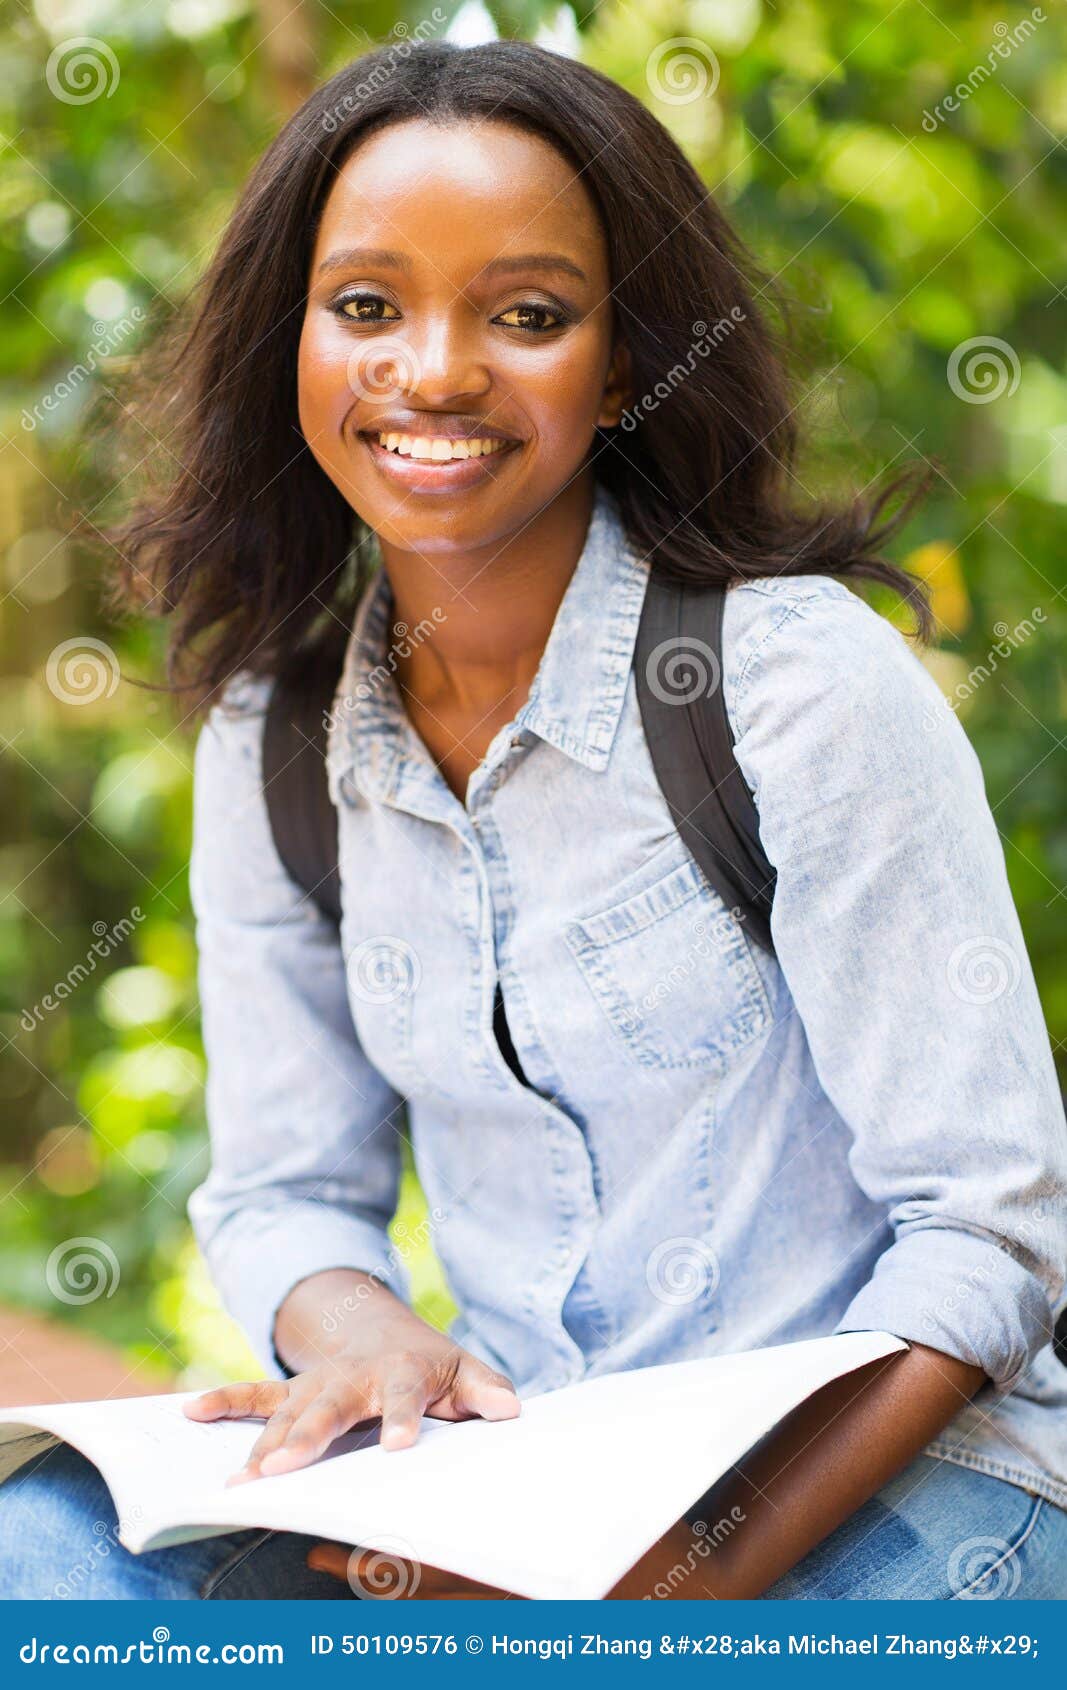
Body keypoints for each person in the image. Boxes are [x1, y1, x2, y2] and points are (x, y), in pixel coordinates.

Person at [4, 38, 1066, 1601]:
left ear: (627, 361)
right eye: (366, 305)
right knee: (41, 1560)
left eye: (528, 315)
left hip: (901, 1490)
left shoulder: (793, 689)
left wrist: (677, 1575)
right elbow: (286, 1190)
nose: (432, 370)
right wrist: (362, 1332)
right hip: (521, 1487)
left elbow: (995, 1236)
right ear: (292, 341)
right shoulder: (281, 742)